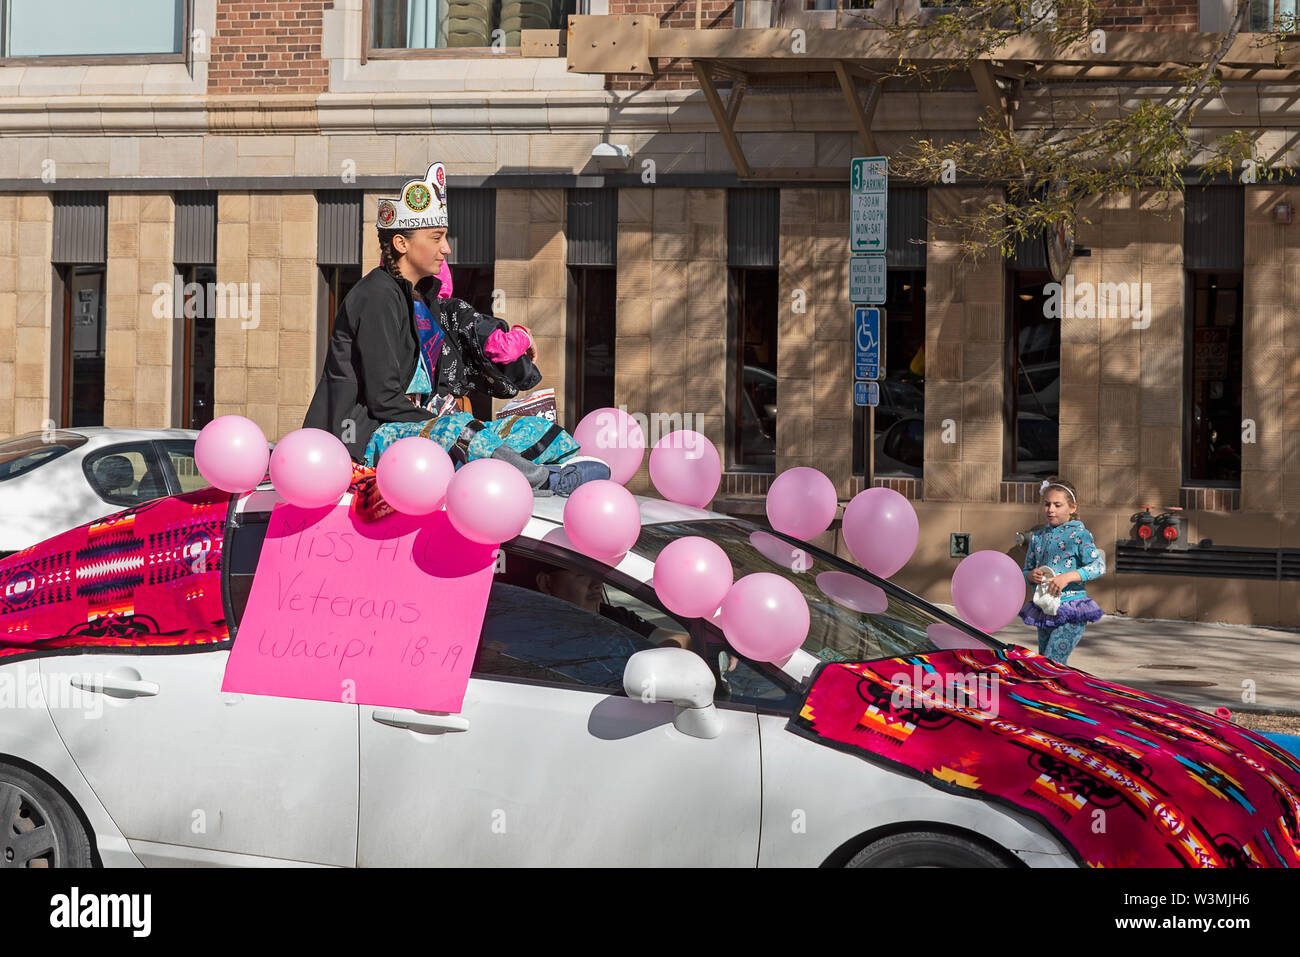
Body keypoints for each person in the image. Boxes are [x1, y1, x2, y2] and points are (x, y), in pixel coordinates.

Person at [1018, 475, 1105, 664]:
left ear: (1072, 508)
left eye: (1058, 505)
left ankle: (1050, 691)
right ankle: (1057, 692)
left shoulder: (1079, 535)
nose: (1050, 509)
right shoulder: (1037, 538)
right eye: (1047, 504)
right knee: (1048, 664)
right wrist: (1031, 576)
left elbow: (1098, 566)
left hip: (1070, 610)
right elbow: (1026, 571)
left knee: (1051, 663)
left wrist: (1067, 577)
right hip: (1045, 607)